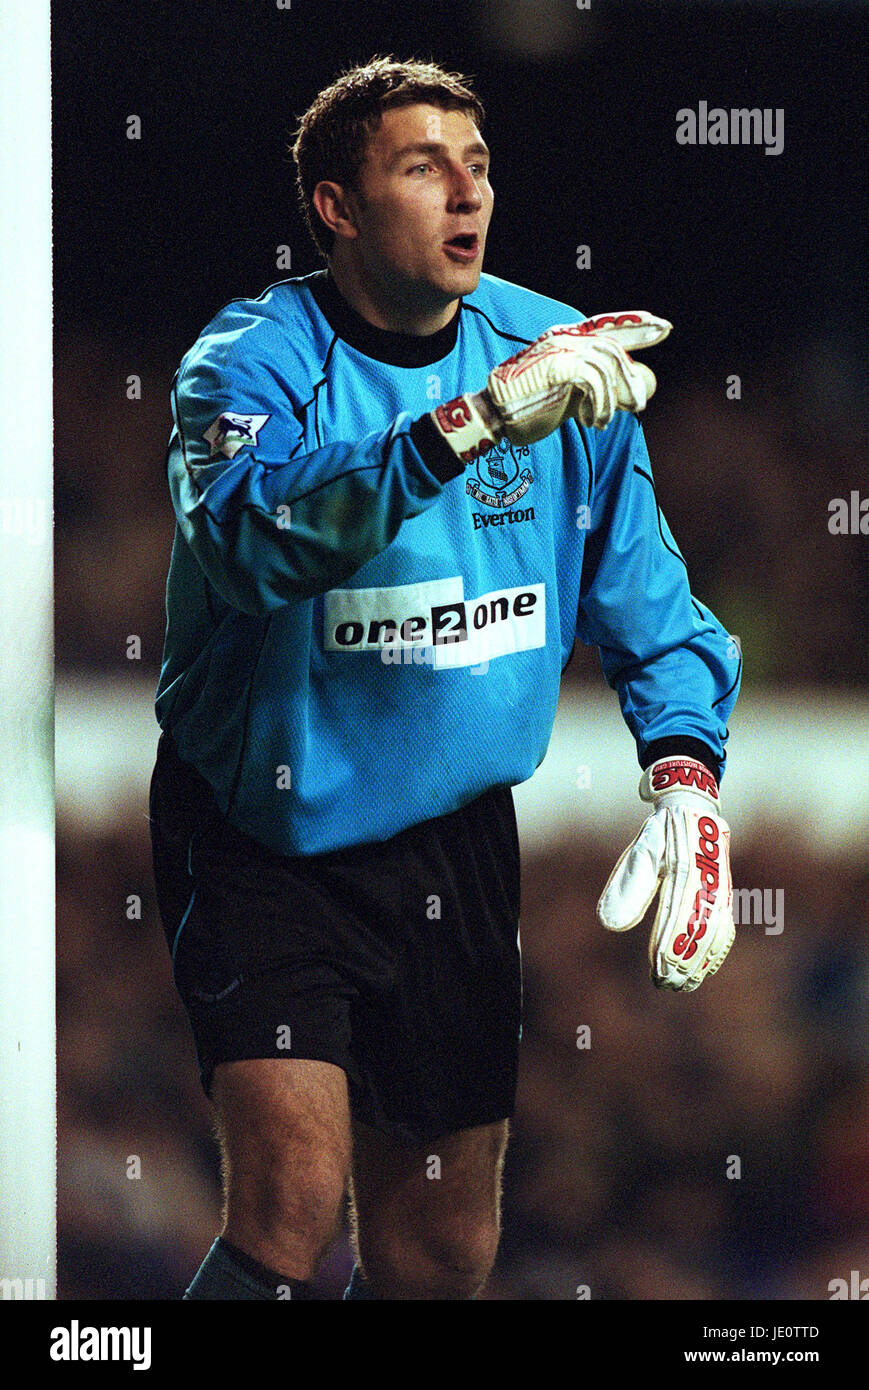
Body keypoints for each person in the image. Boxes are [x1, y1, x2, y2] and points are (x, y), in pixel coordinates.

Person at [148, 55, 741, 1301]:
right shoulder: (245, 361)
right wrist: (465, 425)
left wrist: (684, 771)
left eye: (476, 166)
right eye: (422, 167)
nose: (464, 192)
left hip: (455, 843)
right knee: (289, 1206)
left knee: (439, 1255)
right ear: (336, 207)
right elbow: (255, 542)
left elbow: (644, 595)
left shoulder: (557, 360)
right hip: (267, 830)